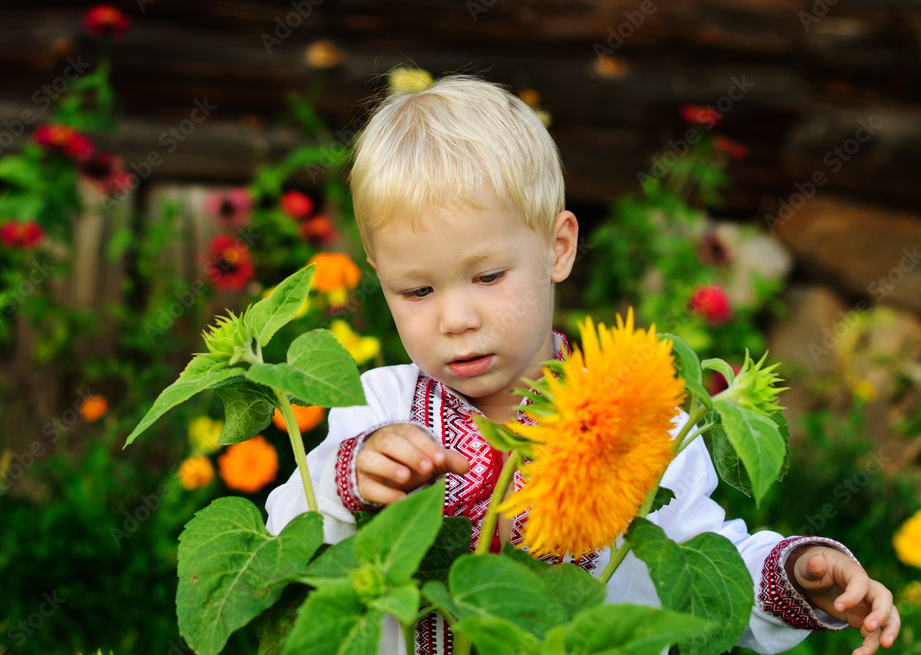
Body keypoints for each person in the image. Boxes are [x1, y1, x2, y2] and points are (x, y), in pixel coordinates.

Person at [265, 74, 900, 655]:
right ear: (380, 280)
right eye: (417, 291)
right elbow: (290, 533)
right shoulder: (377, 406)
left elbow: (701, 561)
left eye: (487, 276)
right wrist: (348, 475)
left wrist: (797, 573)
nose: (454, 319)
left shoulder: (640, 417)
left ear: (558, 249)